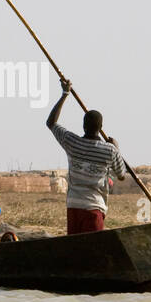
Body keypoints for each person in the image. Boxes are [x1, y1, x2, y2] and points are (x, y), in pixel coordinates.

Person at [45, 77, 126, 234]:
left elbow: (51, 123)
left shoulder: (71, 142)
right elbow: (121, 175)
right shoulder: (109, 150)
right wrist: (117, 148)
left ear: (83, 125)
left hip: (73, 206)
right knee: (92, 251)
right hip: (93, 208)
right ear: (100, 127)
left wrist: (64, 94)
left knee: (75, 249)